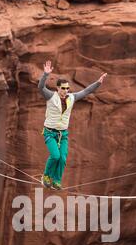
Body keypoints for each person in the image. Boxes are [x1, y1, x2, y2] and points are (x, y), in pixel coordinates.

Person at [38, 60, 107, 189]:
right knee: (55, 156)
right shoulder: (50, 96)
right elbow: (41, 87)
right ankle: (46, 176)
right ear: (58, 88)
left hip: (63, 134)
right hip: (50, 133)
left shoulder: (72, 97)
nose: (66, 90)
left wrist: (98, 83)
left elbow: (86, 91)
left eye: (67, 88)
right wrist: (45, 75)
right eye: (63, 88)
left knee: (63, 159)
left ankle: (56, 181)